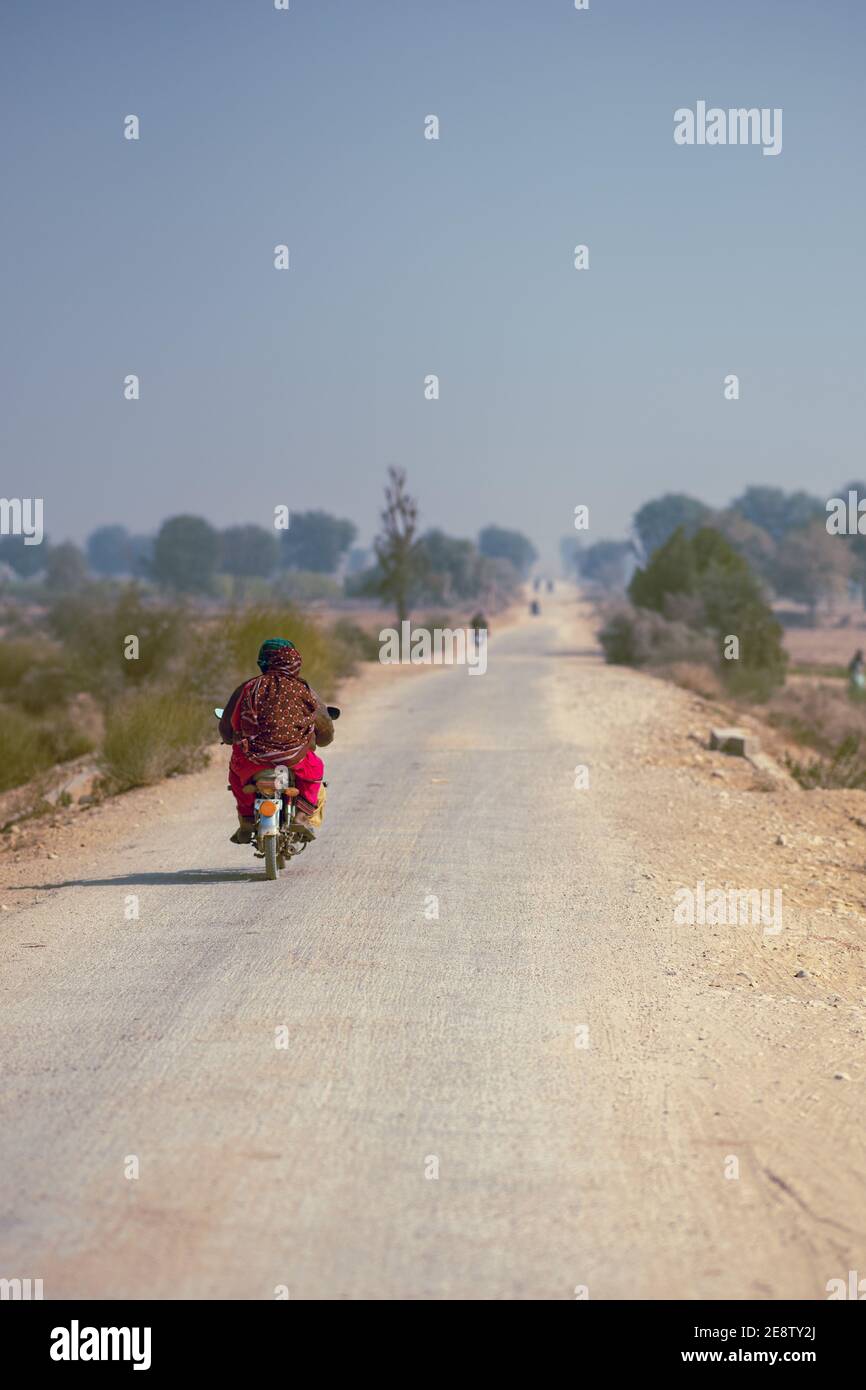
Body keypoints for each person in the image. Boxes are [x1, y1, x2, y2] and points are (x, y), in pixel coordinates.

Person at [219, 637, 334, 845]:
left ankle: (246, 820)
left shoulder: (249, 688)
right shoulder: (304, 690)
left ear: (263, 661)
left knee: (237, 776)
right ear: (296, 662)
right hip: (294, 758)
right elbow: (324, 732)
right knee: (314, 770)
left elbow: (231, 726)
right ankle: (301, 816)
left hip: (254, 758)